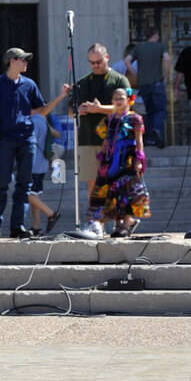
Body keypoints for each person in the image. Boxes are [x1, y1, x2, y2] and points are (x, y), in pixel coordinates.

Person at [0, 48, 69, 238]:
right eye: (22, 59)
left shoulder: (29, 85)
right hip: (5, 139)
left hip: (27, 140)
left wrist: (60, 97)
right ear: (11, 61)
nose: (26, 63)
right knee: (1, 183)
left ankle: (18, 227)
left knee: (24, 184)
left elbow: (41, 110)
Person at [73, 43, 131, 237]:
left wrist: (99, 109)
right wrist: (80, 110)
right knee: (92, 182)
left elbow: (126, 108)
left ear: (107, 58)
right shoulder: (83, 82)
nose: (95, 66)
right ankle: (95, 222)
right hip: (88, 138)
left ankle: (121, 222)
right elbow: (70, 110)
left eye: (98, 62)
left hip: (115, 140)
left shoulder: (120, 80)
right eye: (91, 63)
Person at [86, 88, 149, 237]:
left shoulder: (135, 118)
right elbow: (107, 140)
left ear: (128, 100)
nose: (118, 101)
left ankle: (126, 224)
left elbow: (139, 141)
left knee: (127, 191)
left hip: (128, 159)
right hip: (112, 160)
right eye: (115, 98)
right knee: (113, 192)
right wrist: (102, 157)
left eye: (121, 98)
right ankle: (118, 224)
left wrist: (139, 159)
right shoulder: (110, 119)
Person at [131, 29, 170, 147]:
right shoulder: (160, 46)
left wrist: (136, 76)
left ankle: (149, 138)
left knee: (149, 111)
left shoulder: (138, 48)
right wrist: (165, 77)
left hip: (143, 84)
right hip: (157, 82)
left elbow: (127, 61)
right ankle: (157, 130)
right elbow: (167, 59)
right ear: (156, 35)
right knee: (160, 109)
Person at [26, 112, 62, 234]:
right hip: (41, 164)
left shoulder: (34, 121)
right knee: (34, 195)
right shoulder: (43, 120)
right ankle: (36, 226)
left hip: (33, 164)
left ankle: (51, 213)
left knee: (26, 193)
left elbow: (29, 141)